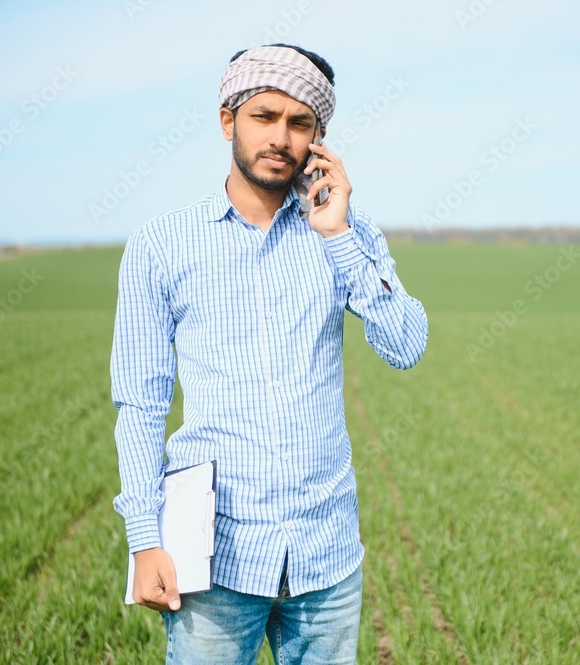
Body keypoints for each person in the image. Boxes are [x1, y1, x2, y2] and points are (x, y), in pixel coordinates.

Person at [110, 44, 428, 664]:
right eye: (264, 117)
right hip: (213, 556)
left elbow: (407, 346)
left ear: (319, 139)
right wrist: (144, 540)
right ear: (228, 121)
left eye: (300, 123)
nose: (281, 136)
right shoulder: (160, 246)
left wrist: (336, 234)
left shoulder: (347, 232)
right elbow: (141, 403)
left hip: (327, 556)